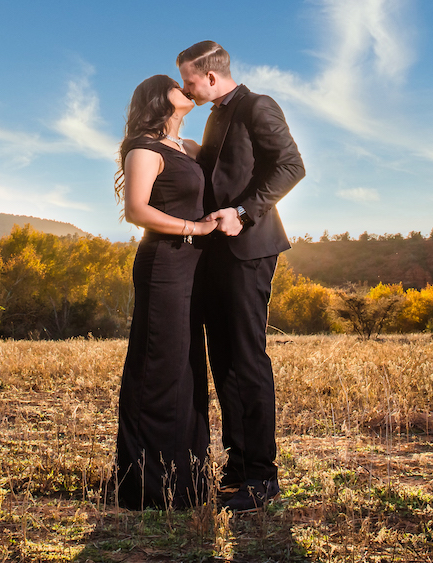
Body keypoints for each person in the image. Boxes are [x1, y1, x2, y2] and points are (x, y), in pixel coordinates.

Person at [177, 40, 305, 513]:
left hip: (249, 249)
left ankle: (262, 477)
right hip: (216, 252)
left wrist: (244, 213)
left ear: (211, 77)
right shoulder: (215, 115)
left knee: (246, 359)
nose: (186, 89)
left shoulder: (257, 105)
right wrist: (195, 155)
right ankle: (238, 468)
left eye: (190, 80)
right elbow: (227, 173)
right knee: (223, 360)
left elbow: (292, 166)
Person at [114, 73, 223, 510]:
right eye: (178, 85)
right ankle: (148, 488)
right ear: (161, 99)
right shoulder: (144, 148)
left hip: (193, 266)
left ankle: (188, 483)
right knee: (159, 365)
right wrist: (195, 227)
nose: (187, 89)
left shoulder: (189, 148)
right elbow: (137, 210)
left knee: (188, 365)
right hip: (163, 263)